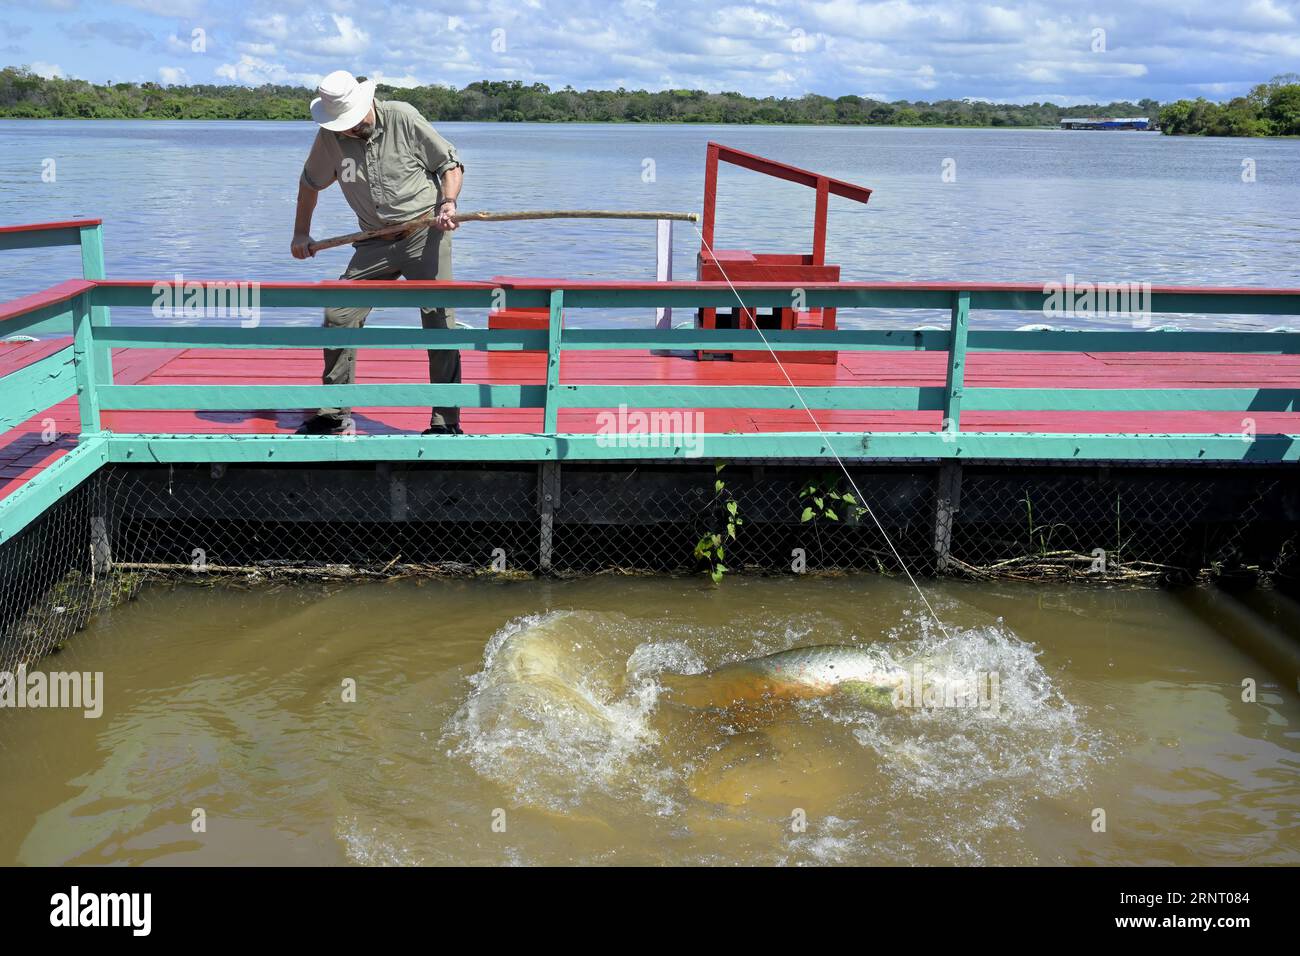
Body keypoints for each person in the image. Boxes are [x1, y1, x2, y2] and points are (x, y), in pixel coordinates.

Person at [291, 70, 465, 435]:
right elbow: (309, 184)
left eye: (352, 123)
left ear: (366, 103)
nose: (348, 131)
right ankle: (333, 412)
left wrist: (448, 203)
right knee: (339, 314)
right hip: (373, 241)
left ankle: (445, 422)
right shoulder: (330, 137)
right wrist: (301, 233)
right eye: (342, 126)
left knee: (440, 322)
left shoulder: (403, 116)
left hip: (424, 233)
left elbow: (450, 164)